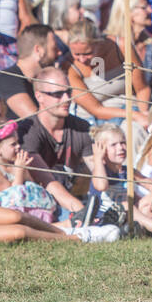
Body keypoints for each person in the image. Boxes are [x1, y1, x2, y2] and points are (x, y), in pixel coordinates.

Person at [21, 67, 93, 215]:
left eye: (68, 92)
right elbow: (47, 181)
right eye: (58, 94)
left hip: (74, 197)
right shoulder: (27, 130)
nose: (67, 99)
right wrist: (82, 212)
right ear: (39, 96)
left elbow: (99, 171)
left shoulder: (81, 127)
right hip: (39, 203)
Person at [0, 24, 59, 129]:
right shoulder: (8, 79)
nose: (59, 53)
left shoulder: (33, 81)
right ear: (38, 50)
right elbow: (39, 122)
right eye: (54, 48)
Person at [106, 0, 152, 100]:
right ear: (128, 12)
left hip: (144, 102)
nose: (150, 10)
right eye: (144, 7)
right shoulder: (109, 44)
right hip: (115, 104)